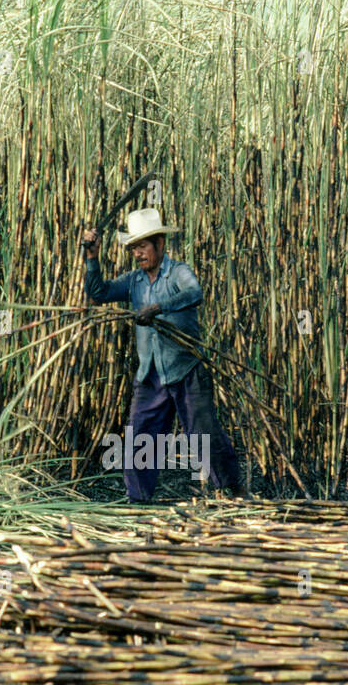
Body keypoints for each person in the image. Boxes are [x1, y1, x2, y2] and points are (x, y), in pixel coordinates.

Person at [81, 207, 245, 502]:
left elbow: (194, 293)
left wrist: (158, 308)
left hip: (185, 369)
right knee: (140, 438)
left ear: (159, 244)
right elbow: (97, 295)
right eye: (133, 248)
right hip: (150, 374)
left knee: (203, 433)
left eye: (142, 246)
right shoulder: (134, 281)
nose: (138, 254)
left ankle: (232, 492)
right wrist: (92, 258)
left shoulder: (178, 271)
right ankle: (139, 501)